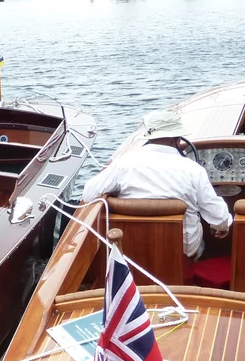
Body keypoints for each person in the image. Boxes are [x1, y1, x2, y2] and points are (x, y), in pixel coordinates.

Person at [81, 109, 232, 260]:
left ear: (149, 137)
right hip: (181, 250)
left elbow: (88, 194)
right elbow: (218, 216)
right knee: (199, 231)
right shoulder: (193, 169)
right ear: (178, 140)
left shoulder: (123, 163)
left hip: (130, 247)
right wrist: (222, 227)